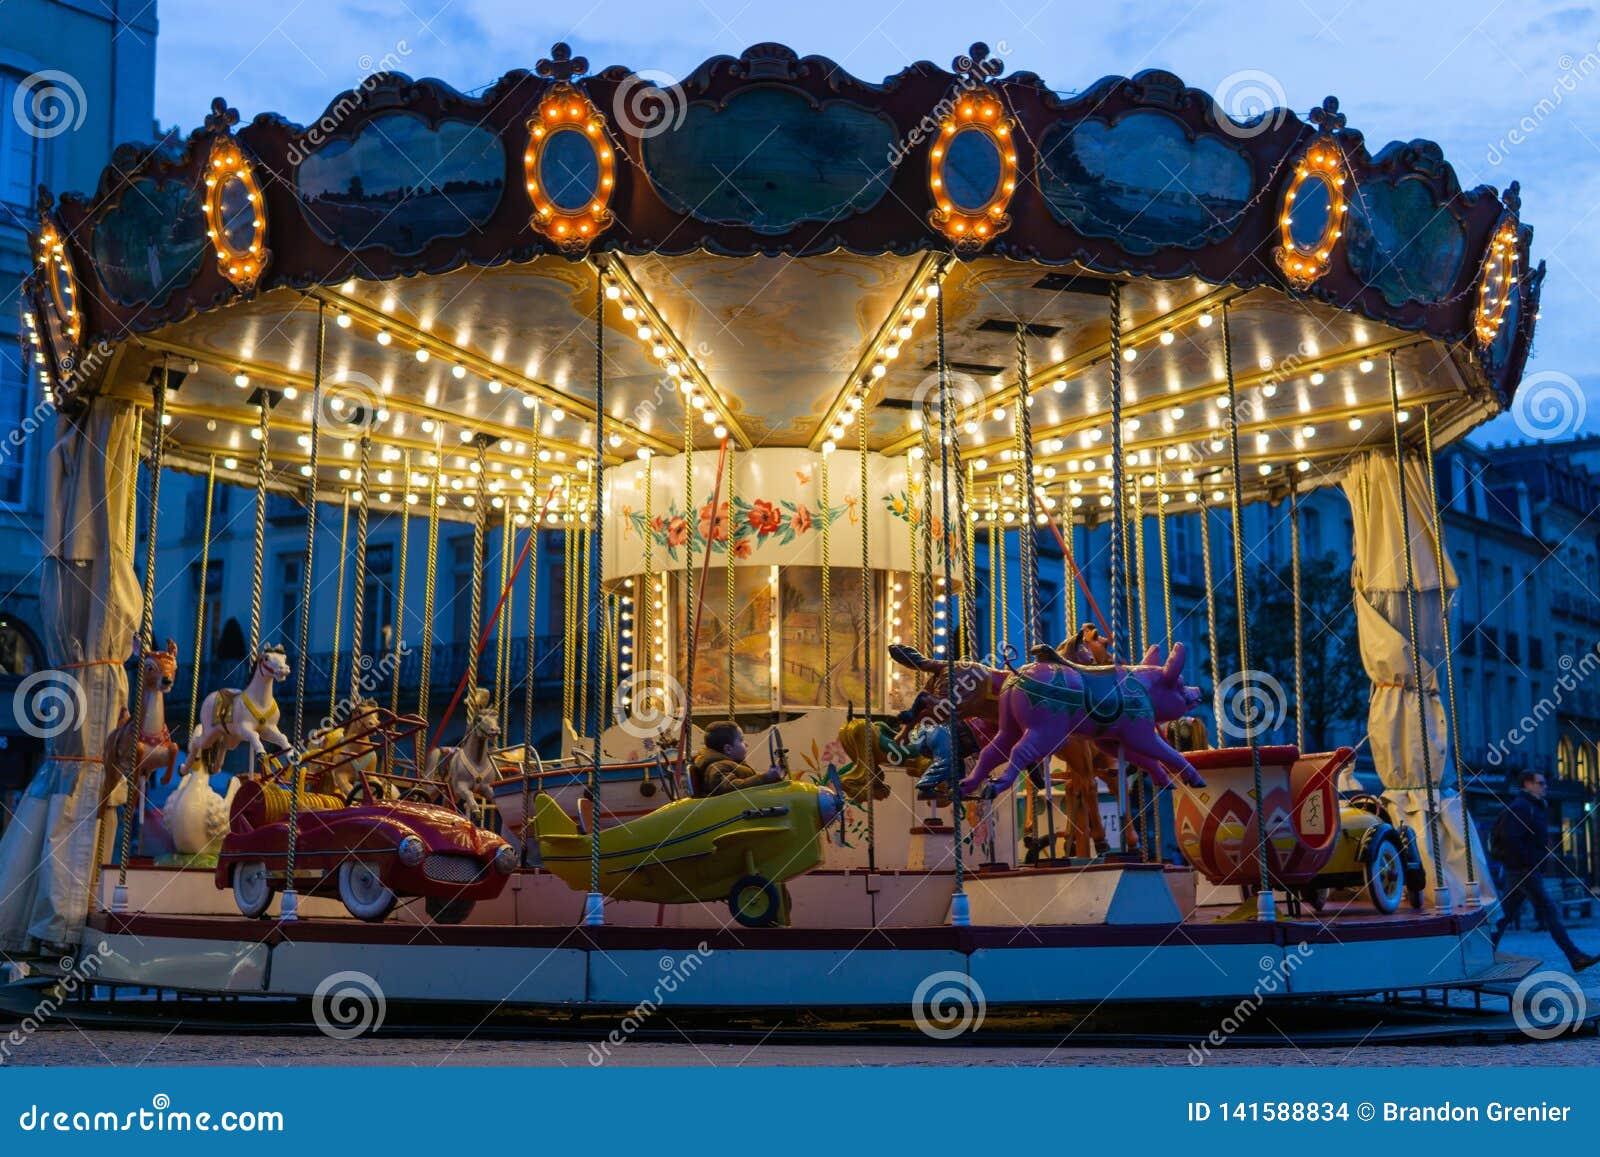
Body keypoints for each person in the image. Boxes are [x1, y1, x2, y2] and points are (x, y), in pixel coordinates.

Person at [1490, 771, 1598, 973]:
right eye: (1540, 783)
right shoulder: (1522, 807)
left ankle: (1483, 954)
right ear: (1527, 784)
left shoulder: (1530, 806)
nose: (1545, 787)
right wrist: (1528, 863)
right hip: (1524, 871)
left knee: (1505, 915)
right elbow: (1511, 838)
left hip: (1522, 870)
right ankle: (1575, 956)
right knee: (1549, 911)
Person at [690, 721, 785, 797]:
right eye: (741, 740)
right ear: (728, 749)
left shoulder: (730, 763)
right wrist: (765, 778)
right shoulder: (718, 767)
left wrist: (771, 777)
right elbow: (730, 788)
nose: (746, 744)